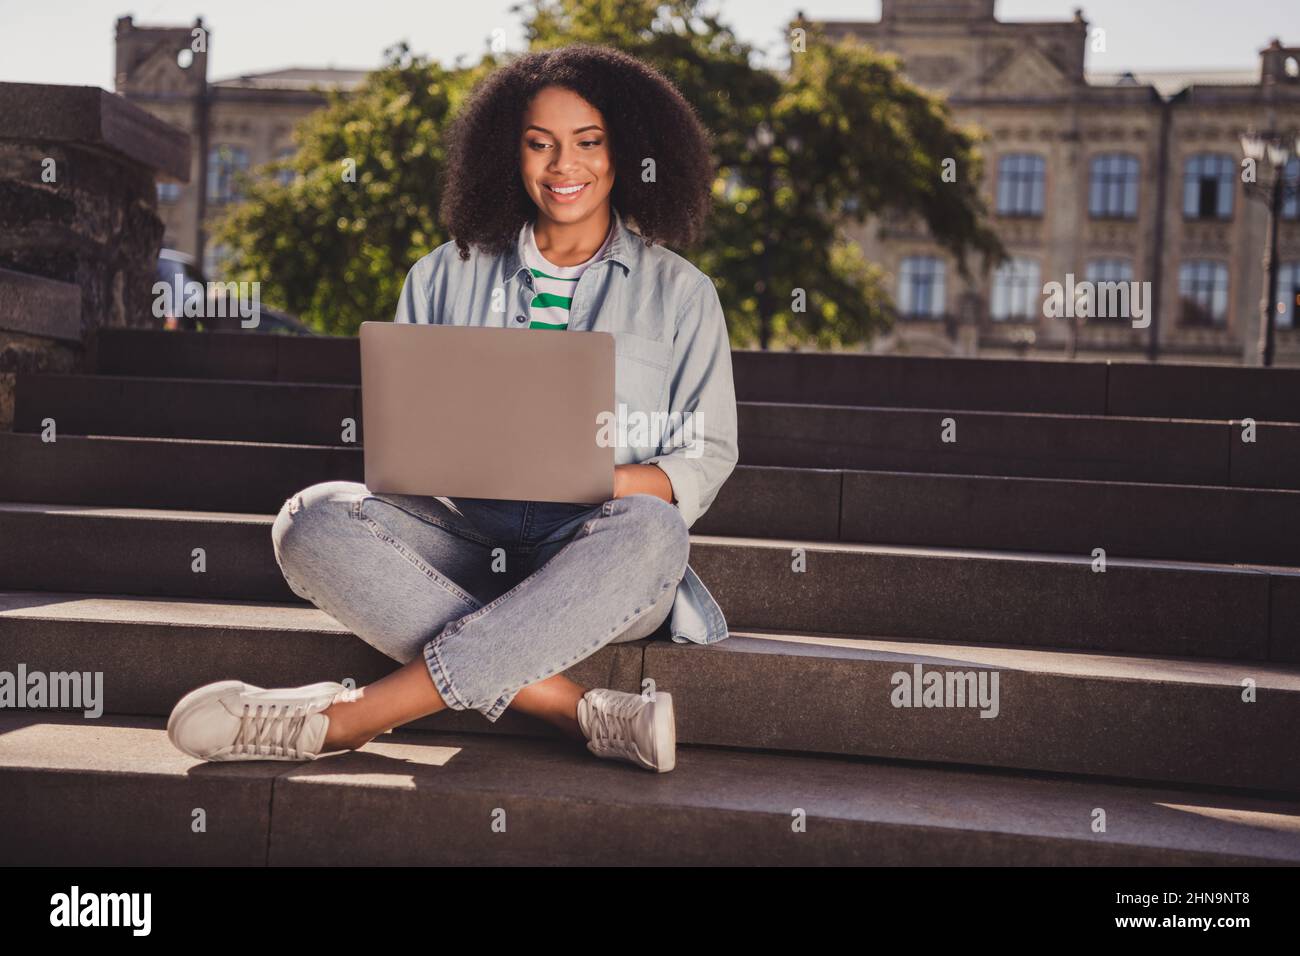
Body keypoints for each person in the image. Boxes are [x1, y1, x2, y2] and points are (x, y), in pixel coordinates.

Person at [166, 43, 739, 773]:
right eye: (541, 145)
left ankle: (352, 718)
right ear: (510, 153)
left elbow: (706, 454)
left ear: (627, 150)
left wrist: (595, 478)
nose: (565, 166)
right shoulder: (443, 275)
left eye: (588, 143)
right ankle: (574, 709)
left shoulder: (683, 295)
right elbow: (407, 439)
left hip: (597, 552)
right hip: (467, 539)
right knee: (308, 521)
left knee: (656, 530)